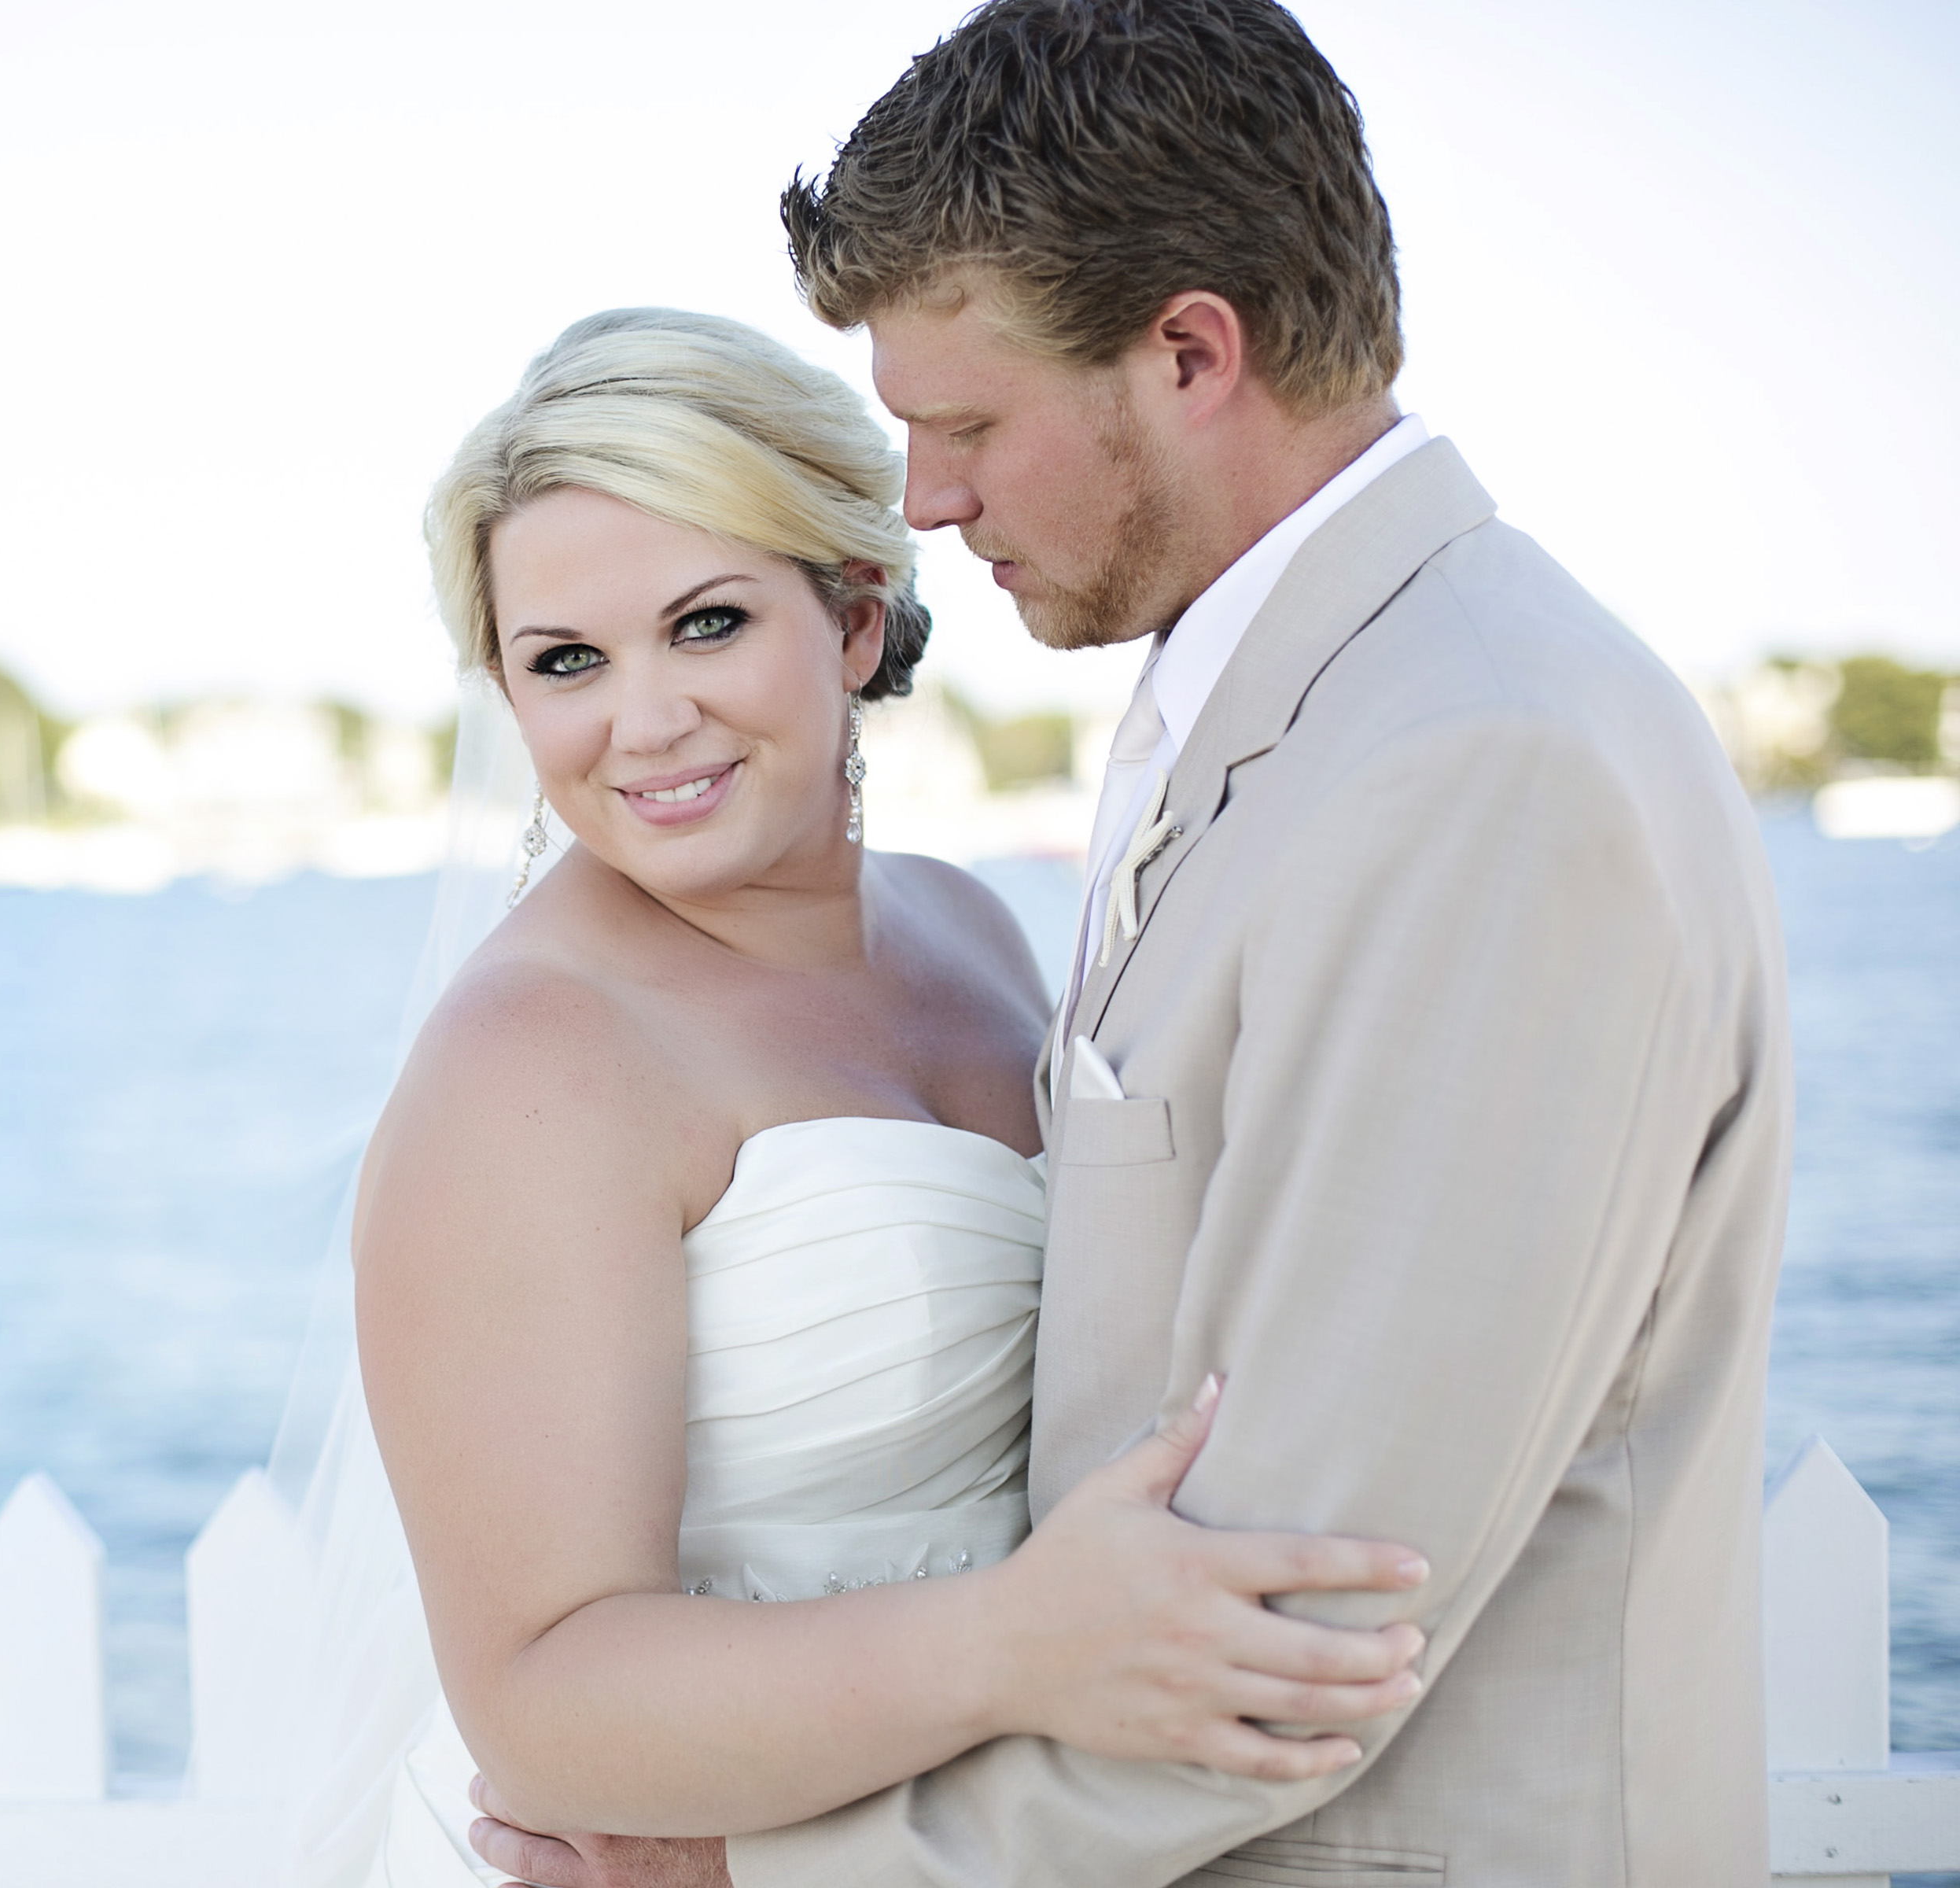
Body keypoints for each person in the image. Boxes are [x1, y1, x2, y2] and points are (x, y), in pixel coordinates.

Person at [464, 4, 1792, 1886]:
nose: (922, 501)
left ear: (1188, 353)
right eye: (567, 659)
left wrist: (739, 1875)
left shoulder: (1475, 763)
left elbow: (1305, 1617)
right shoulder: (1305, 705)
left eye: (970, 424)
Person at [324, 305, 1429, 1888]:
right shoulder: (536, 1059)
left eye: (706, 625)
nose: (645, 722)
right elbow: (542, 1703)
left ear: (851, 621)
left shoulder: (968, 931)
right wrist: (1022, 1646)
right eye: (567, 661)